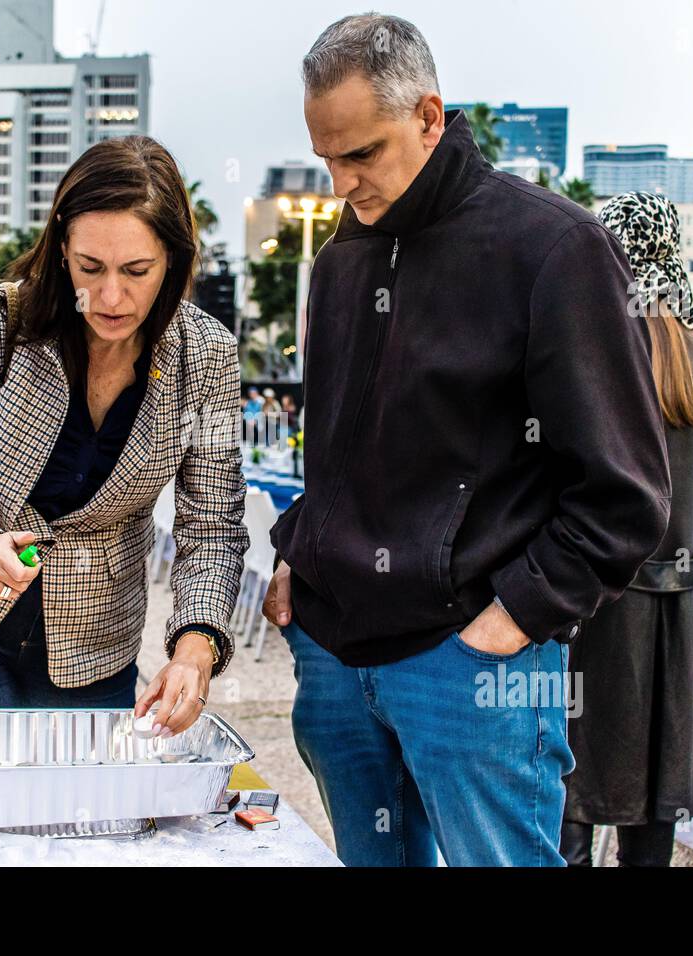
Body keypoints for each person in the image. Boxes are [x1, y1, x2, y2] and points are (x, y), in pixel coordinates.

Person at [262, 14, 670, 867]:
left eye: (362, 154)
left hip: (470, 660)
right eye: (326, 158)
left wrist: (515, 618)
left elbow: (625, 492)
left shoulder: (555, 247)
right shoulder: (340, 258)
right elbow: (333, 441)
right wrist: (307, 547)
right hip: (337, 652)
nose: (342, 183)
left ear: (428, 116)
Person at [0, 136, 250, 732]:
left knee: (83, 825)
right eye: (89, 267)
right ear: (61, 251)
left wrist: (196, 644)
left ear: (173, 262)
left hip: (95, 647)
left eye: (136, 271)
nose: (110, 296)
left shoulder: (206, 354)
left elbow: (211, 524)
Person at [560, 192, 693, 867]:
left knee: (572, 798)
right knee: (656, 804)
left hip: (599, 610)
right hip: (681, 617)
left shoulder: (592, 354)